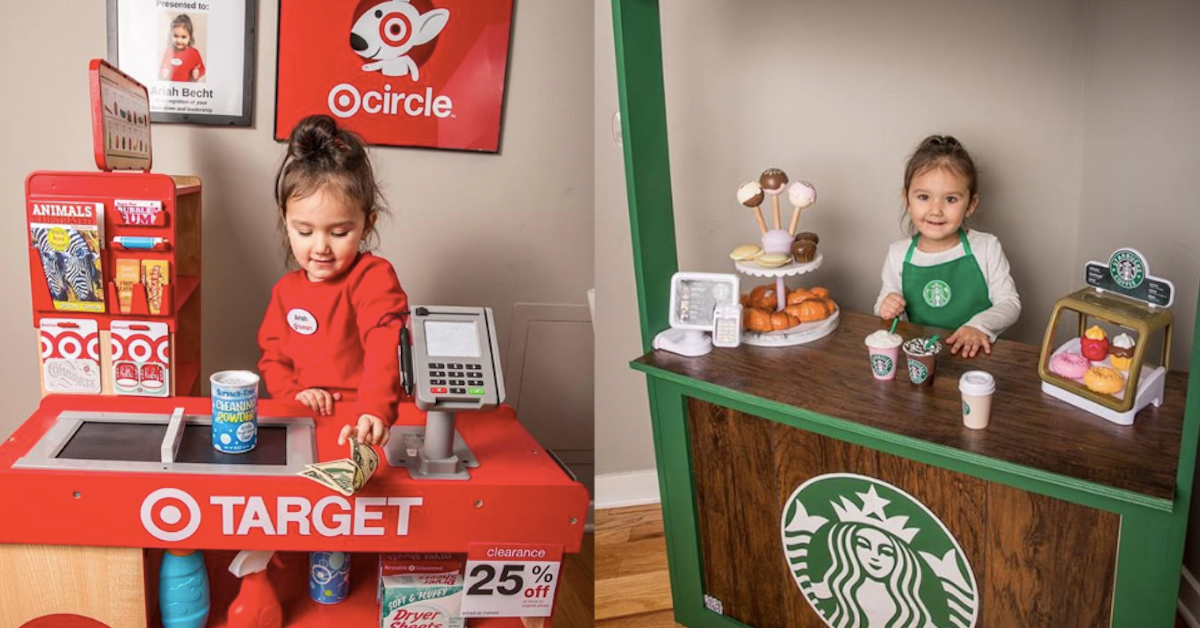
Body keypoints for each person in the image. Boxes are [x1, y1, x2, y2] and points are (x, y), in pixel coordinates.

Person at [258, 115, 408, 447]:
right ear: (286, 220)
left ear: (367, 225)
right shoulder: (284, 292)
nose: (321, 246)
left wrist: (375, 409)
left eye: (339, 232)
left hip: (366, 422)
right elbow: (273, 357)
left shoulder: (374, 278)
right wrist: (295, 393)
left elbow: (387, 341)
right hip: (305, 421)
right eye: (305, 231)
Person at [874, 135, 1020, 358]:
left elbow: (1010, 303)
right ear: (907, 200)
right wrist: (886, 307)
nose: (936, 210)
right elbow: (882, 305)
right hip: (922, 356)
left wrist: (979, 326)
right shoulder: (898, 254)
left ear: (971, 205)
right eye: (923, 197)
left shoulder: (986, 247)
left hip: (976, 353)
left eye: (950, 199)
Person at [159, 14, 206, 82]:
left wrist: (198, 72)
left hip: (187, 89)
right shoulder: (169, 51)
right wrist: (163, 70)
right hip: (172, 88)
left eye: (183, 37)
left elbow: (202, 68)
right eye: (176, 36)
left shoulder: (193, 53)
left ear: (190, 37)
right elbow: (163, 66)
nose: (179, 41)